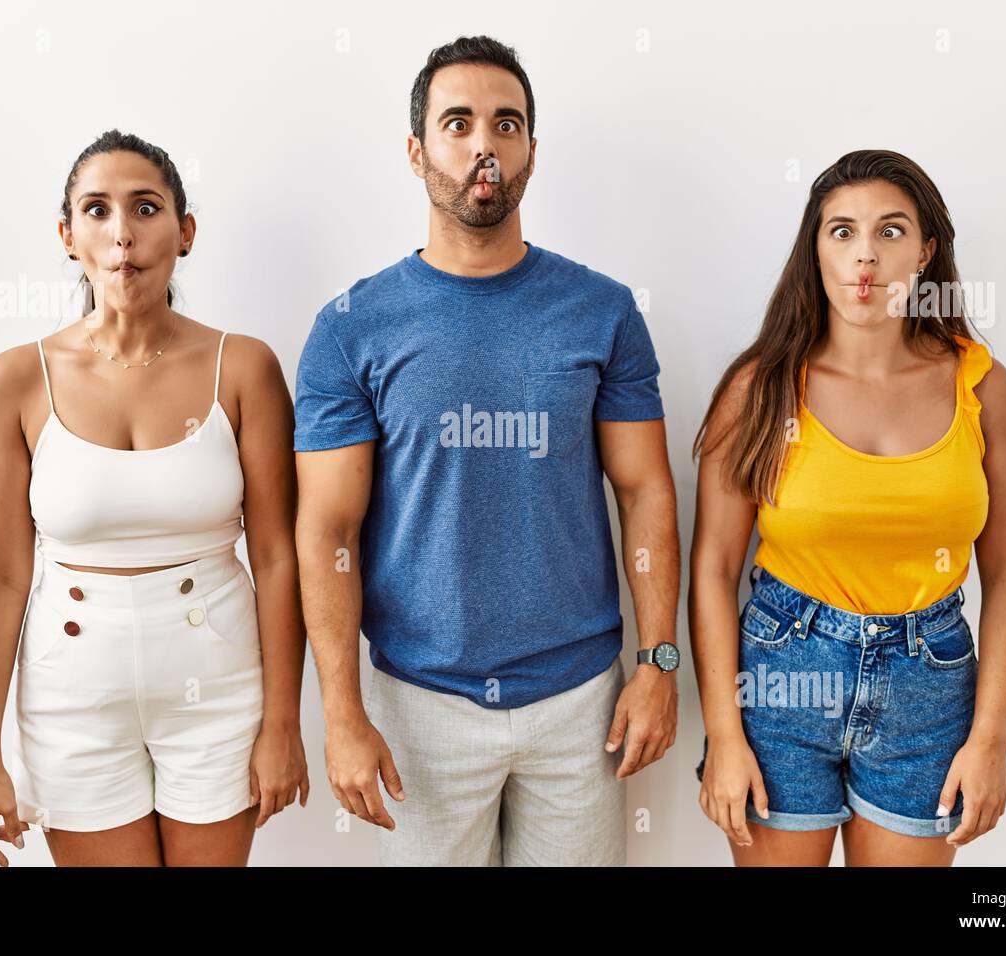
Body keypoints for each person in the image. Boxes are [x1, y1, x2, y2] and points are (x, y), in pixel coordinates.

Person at [293, 36, 680, 866]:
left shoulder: (602, 312)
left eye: (506, 125)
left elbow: (645, 491)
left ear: (531, 151)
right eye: (458, 123)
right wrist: (340, 713)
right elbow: (326, 532)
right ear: (416, 150)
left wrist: (660, 661)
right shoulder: (352, 327)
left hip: (581, 701)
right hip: (418, 703)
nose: (483, 146)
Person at [0, 130, 308, 866]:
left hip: (220, 688)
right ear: (68, 235)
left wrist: (283, 725)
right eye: (97, 211)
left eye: (145, 208)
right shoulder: (14, 380)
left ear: (185, 231)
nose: (123, 234)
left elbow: (276, 554)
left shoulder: (245, 367)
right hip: (73, 696)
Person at [689, 149, 1006, 866]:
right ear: (815, 248)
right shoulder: (760, 387)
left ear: (926, 248)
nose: (865, 257)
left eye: (890, 230)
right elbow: (714, 567)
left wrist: (992, 740)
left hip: (930, 688)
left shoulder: (982, 386)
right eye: (841, 231)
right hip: (783, 675)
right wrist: (724, 734)